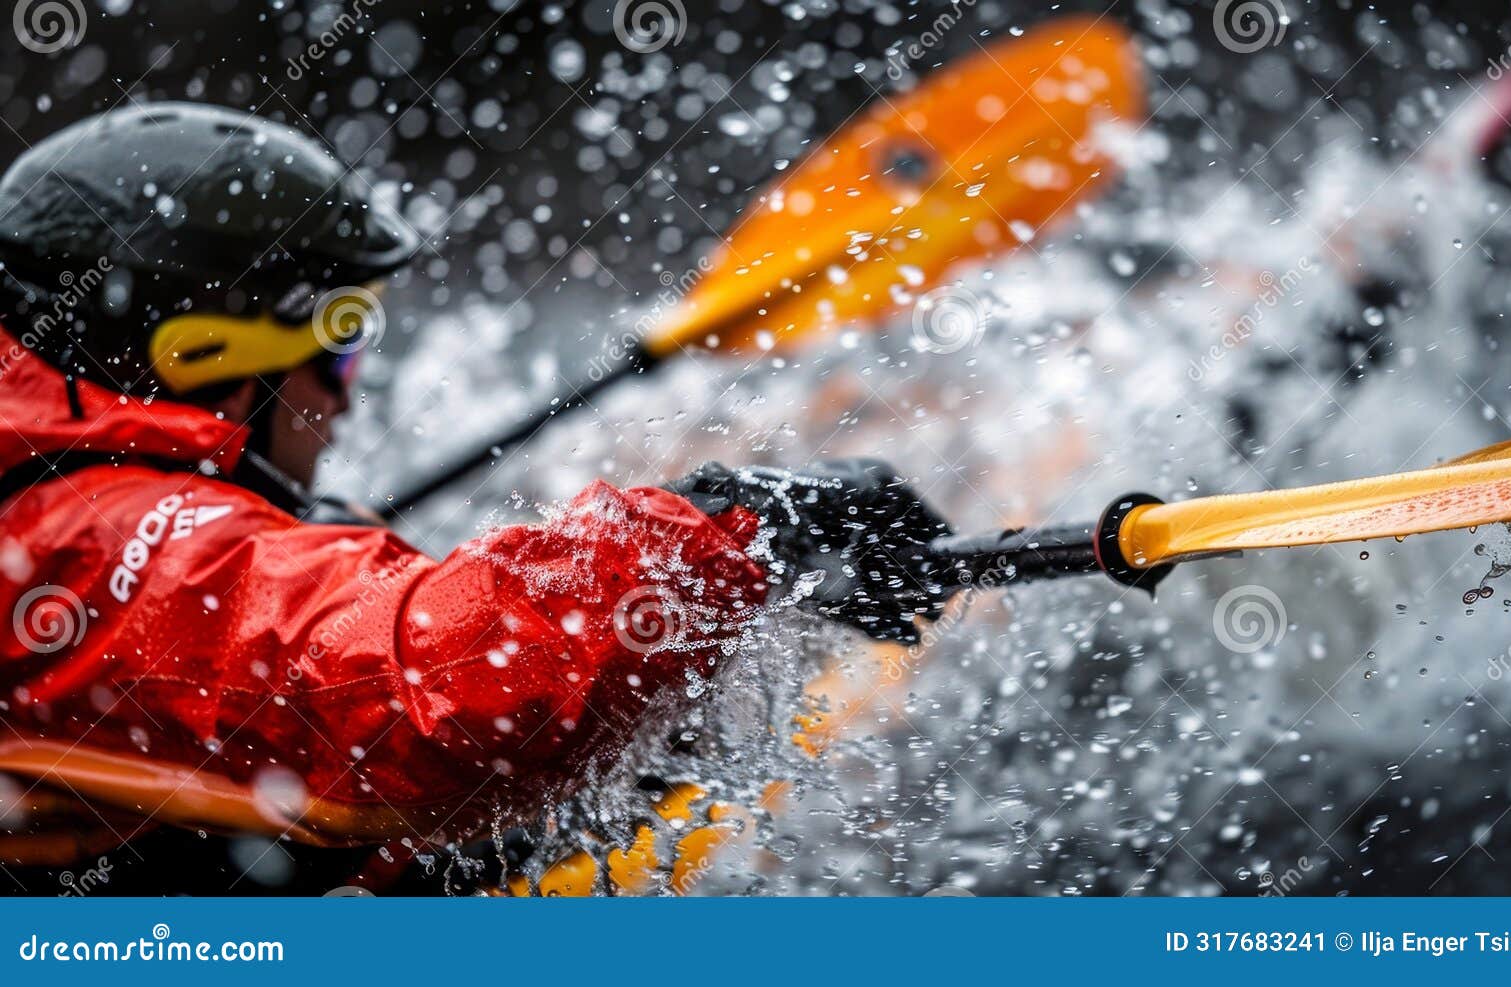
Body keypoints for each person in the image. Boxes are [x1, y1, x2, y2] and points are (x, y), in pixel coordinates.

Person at [0, 103, 952, 893]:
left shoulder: (48, 498)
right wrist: (729, 535)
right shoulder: (101, 550)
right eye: (339, 345)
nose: (347, 389)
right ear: (206, 360)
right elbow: (412, 684)